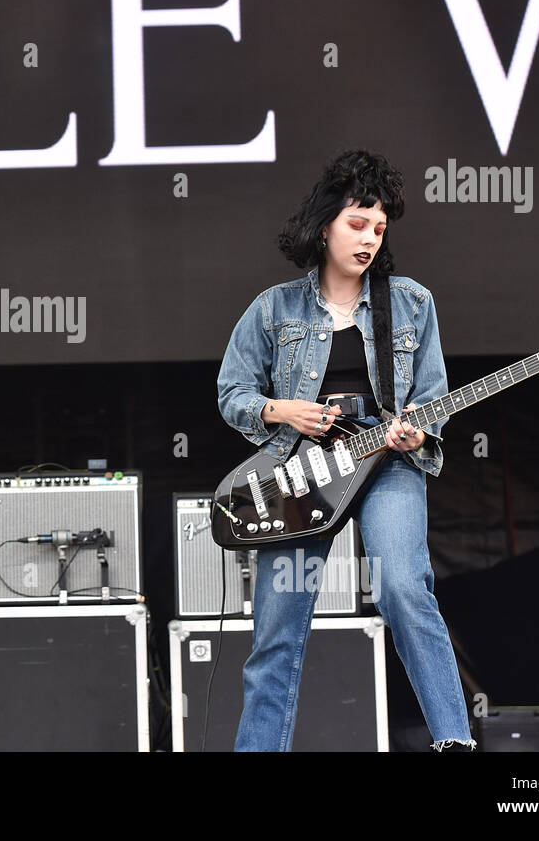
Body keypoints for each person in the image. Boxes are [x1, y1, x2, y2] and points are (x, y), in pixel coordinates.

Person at [216, 149, 474, 752]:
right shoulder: (274, 307)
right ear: (325, 223)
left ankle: (455, 742)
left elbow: (431, 397)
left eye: (379, 229)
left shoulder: (411, 302)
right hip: (299, 470)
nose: (368, 239)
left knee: (402, 587)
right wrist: (283, 410)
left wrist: (416, 430)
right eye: (358, 223)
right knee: (276, 626)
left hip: (385, 464)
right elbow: (233, 393)